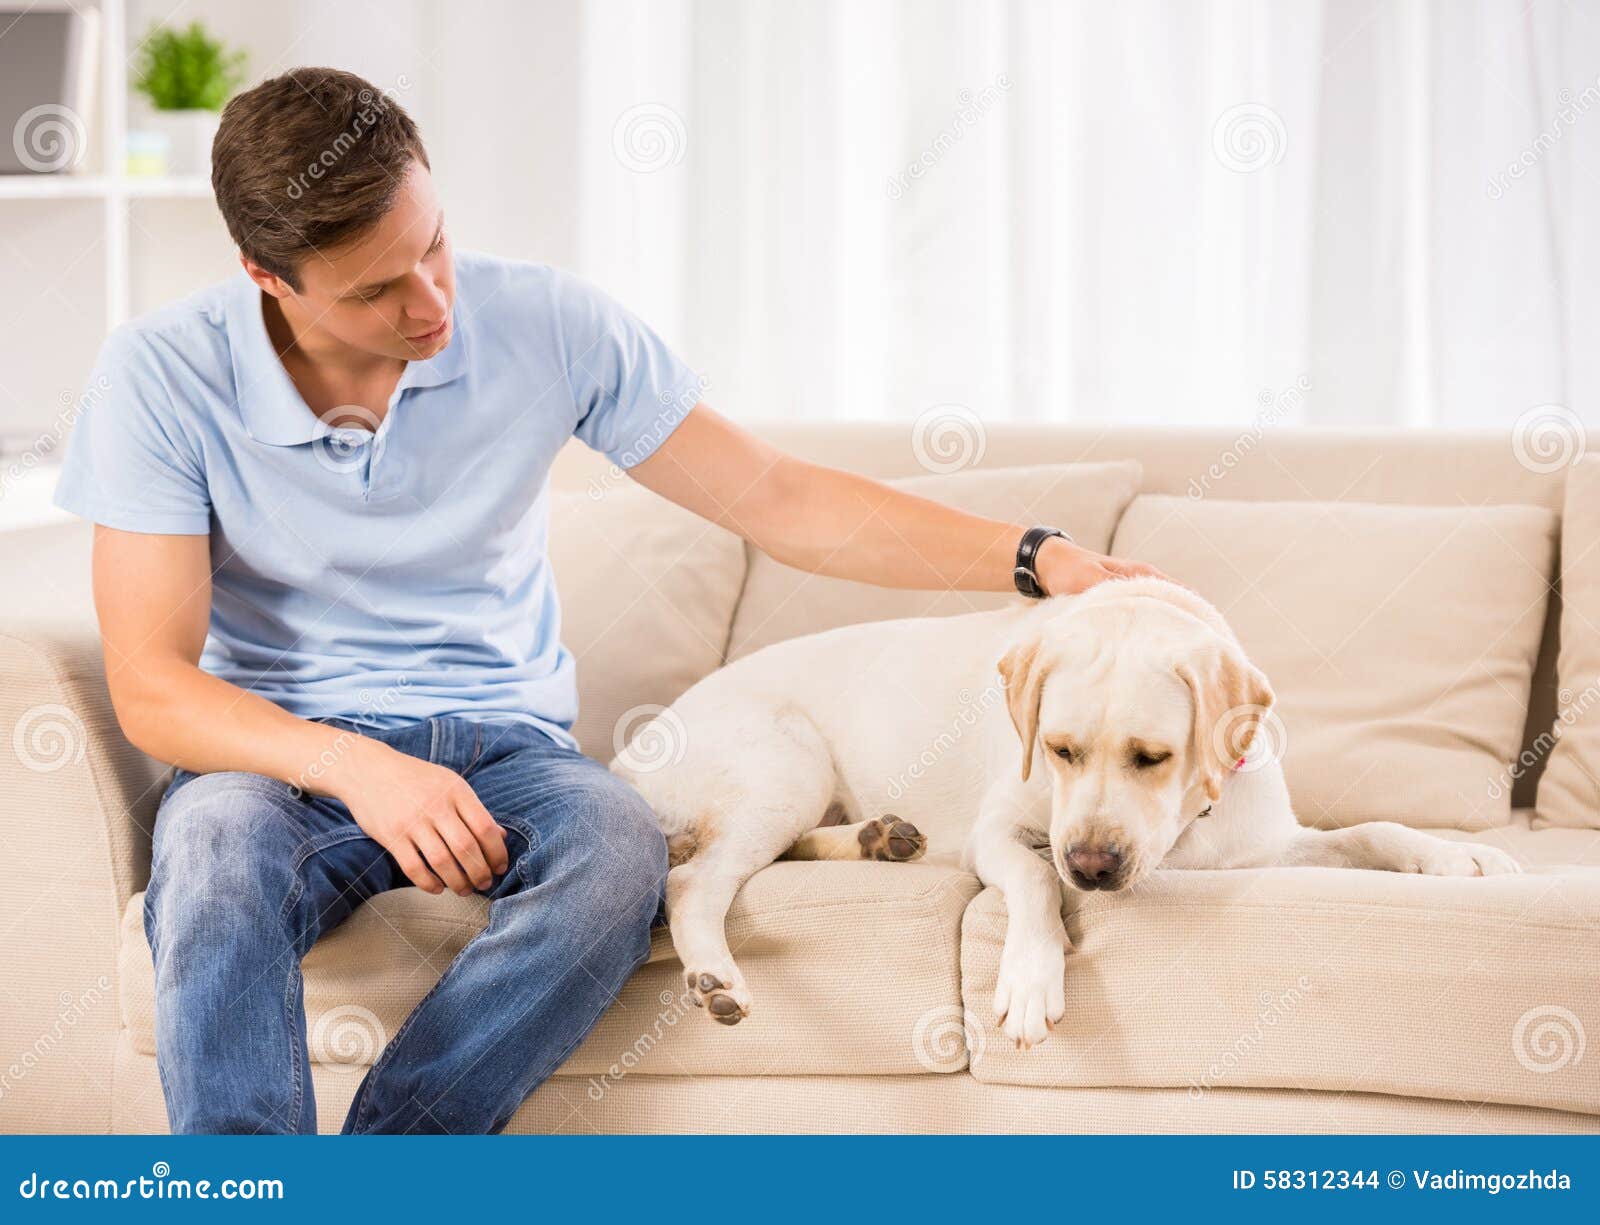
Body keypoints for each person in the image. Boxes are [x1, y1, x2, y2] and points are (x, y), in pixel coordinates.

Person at [52, 67, 1167, 1134]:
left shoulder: (548, 323)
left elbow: (776, 497)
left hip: (506, 746)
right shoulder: (160, 374)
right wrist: (357, 766)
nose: (433, 299)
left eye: (433, 243)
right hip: (280, 758)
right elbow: (152, 684)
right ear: (267, 277)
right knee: (208, 851)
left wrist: (1033, 554)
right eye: (377, 289)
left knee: (619, 855)